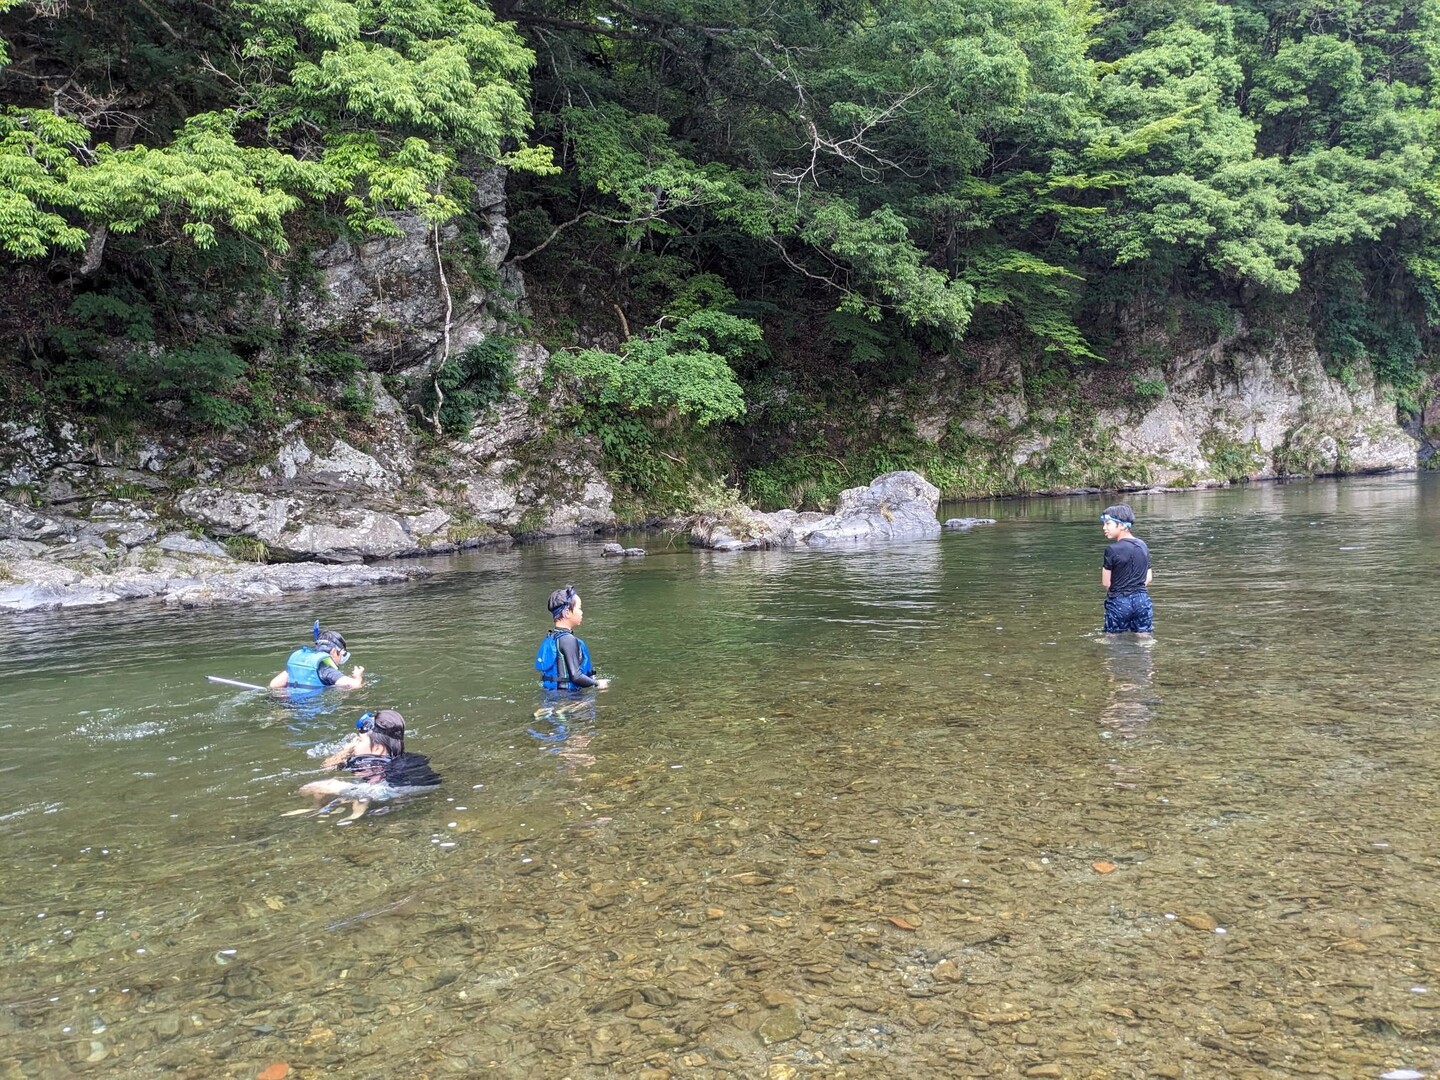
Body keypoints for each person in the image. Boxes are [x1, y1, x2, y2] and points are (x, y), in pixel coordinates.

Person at [291, 710, 441, 820]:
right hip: (425, 785)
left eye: (359, 740)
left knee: (321, 787)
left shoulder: (364, 762)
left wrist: (334, 785)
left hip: (391, 790)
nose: (355, 744)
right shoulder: (411, 759)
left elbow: (327, 767)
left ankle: (319, 812)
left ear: (377, 748)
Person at [535, 585, 610, 691]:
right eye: (579, 608)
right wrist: (598, 683)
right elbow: (576, 676)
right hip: (569, 697)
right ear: (567, 612)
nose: (581, 612)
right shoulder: (568, 640)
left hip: (552, 696)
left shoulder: (553, 637)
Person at [1100, 504, 1153, 637]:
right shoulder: (1143, 546)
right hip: (1142, 600)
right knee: (1144, 638)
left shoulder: (1112, 550)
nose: (1104, 528)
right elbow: (1149, 578)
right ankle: (1146, 657)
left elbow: (1106, 583)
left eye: (1108, 524)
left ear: (1122, 525)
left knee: (1113, 640)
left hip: (1119, 601)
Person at [269, 623, 365, 690]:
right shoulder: (327, 670)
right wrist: (358, 676)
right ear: (334, 651)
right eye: (342, 653)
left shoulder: (302, 661)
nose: (342, 658)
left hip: (291, 702)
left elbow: (274, 685)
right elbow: (355, 685)